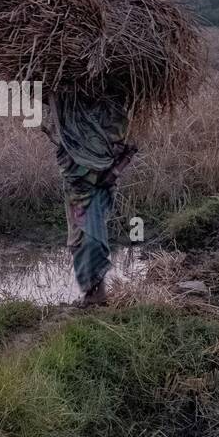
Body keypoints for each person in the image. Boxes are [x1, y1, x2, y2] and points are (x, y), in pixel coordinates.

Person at [47, 91, 138, 305]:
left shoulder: (114, 108)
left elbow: (132, 143)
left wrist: (115, 172)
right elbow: (60, 137)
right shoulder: (68, 105)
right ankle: (93, 293)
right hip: (77, 183)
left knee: (93, 238)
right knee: (80, 237)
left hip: (103, 182)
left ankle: (97, 294)